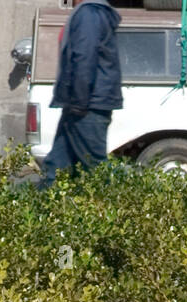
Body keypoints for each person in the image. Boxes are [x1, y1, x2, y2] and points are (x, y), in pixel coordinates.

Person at [39, 0, 122, 187]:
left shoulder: (89, 14)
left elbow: (84, 57)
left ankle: (119, 212)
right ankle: (38, 212)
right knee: (55, 169)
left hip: (86, 106)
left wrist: (78, 103)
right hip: (81, 104)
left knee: (96, 173)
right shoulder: (91, 13)